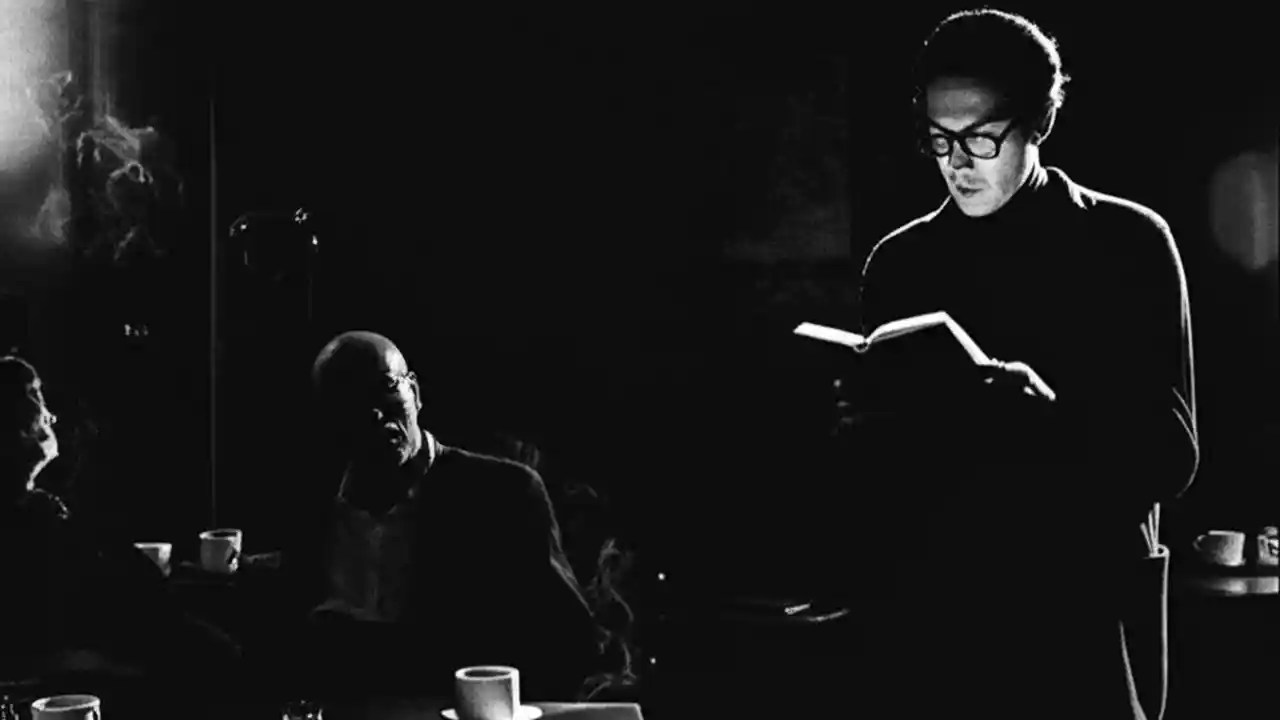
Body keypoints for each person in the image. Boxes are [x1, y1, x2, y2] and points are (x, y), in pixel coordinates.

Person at [836, 9, 1197, 718]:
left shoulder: (1123, 243)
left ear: (1040, 123)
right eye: (939, 138)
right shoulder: (902, 262)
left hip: (1081, 620)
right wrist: (860, 428)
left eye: (981, 137)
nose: (957, 162)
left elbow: (1171, 457)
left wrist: (1046, 418)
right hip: (935, 617)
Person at [280, 331, 600, 700]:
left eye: (385, 387)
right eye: (349, 400)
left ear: (414, 392)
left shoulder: (503, 495)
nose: (373, 412)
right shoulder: (312, 508)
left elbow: (569, 642)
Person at [0, 356, 242, 715]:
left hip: (115, 636)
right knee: (209, 659)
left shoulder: (42, 501)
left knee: (215, 645)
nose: (46, 414)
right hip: (75, 662)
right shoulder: (20, 515)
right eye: (30, 396)